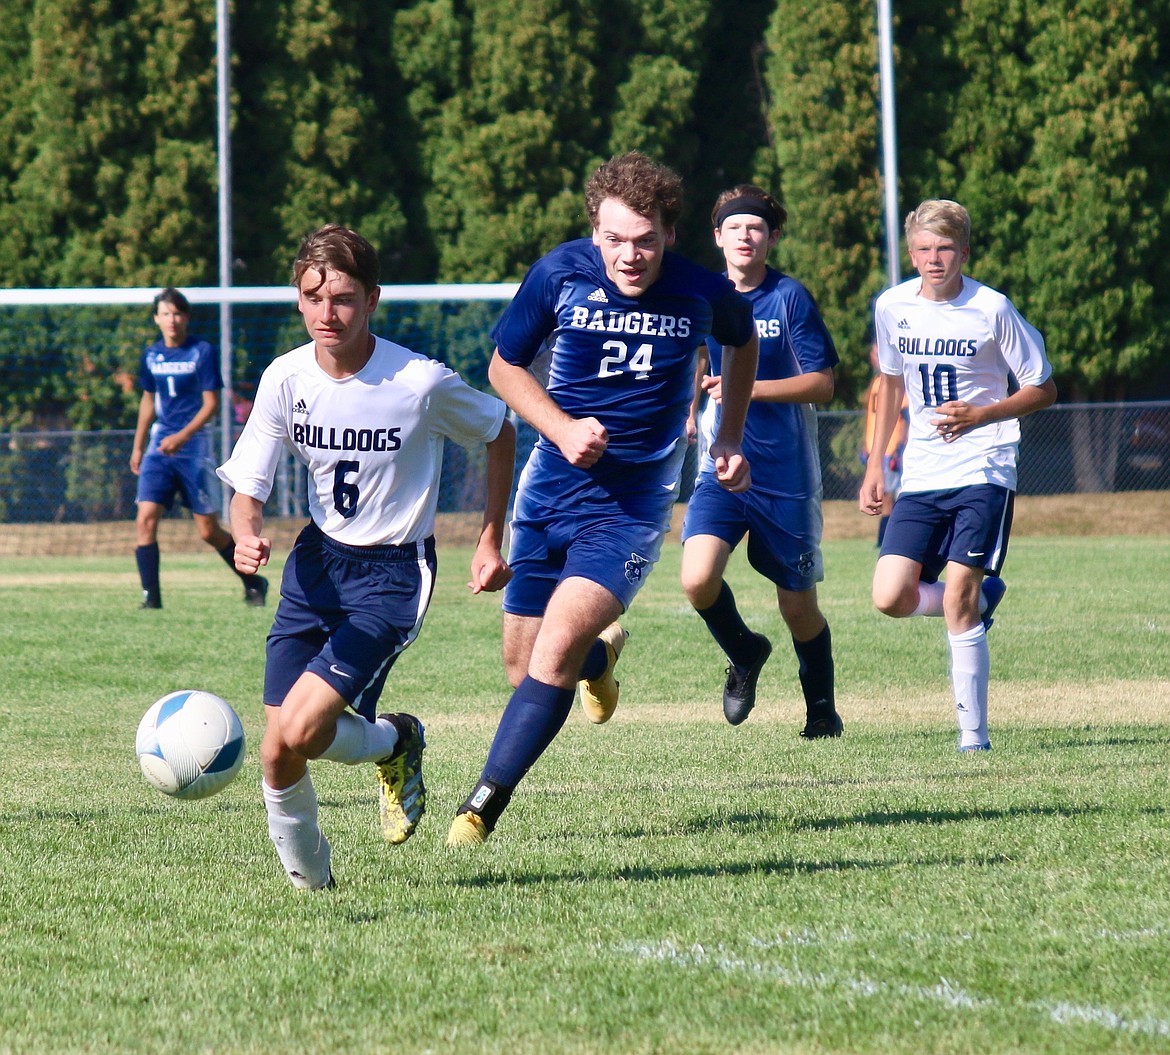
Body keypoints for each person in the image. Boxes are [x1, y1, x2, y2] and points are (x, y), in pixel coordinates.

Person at [446, 152, 759, 846]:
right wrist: (559, 427)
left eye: (645, 240)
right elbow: (502, 367)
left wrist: (726, 435)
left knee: (552, 652)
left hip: (630, 509)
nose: (629, 255)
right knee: (521, 664)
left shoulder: (701, 291)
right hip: (549, 493)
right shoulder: (558, 275)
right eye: (615, 239)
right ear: (594, 231)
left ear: (670, 235)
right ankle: (603, 658)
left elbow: (744, 340)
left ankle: (480, 806)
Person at [217, 225, 516, 888]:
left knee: (298, 726)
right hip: (317, 566)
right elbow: (248, 484)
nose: (329, 313)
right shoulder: (284, 378)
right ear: (298, 301)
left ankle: (392, 744)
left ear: (372, 299)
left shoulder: (418, 382)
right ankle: (319, 877)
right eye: (314, 297)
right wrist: (245, 531)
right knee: (280, 748)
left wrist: (491, 537)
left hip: (392, 574)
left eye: (344, 298)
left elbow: (500, 431)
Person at [859, 199, 1056, 752]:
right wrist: (878, 464)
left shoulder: (992, 309)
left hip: (985, 465)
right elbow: (891, 384)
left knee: (957, 598)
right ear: (912, 252)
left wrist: (983, 414)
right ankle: (978, 600)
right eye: (923, 248)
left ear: (964, 252)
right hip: (921, 471)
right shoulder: (893, 306)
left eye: (945, 248)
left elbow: (1043, 387)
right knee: (889, 595)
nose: (933, 258)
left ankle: (974, 738)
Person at [681, 184, 843, 737]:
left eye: (756, 227)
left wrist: (745, 388)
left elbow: (823, 384)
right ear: (717, 236)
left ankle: (821, 711)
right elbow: (692, 358)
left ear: (771, 238)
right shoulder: (698, 294)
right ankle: (745, 652)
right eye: (734, 227)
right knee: (697, 580)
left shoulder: (788, 297)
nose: (745, 236)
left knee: (798, 609)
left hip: (785, 480)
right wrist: (687, 406)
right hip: (722, 472)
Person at [130, 288, 268, 609]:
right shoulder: (151, 355)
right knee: (145, 519)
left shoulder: (202, 352)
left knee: (207, 530)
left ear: (186, 317)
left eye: (177, 313)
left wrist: (182, 436)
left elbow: (210, 404)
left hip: (193, 450)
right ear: (156, 319)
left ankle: (253, 580)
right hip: (158, 450)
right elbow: (148, 401)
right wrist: (138, 446)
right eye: (165, 314)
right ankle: (151, 599)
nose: (172, 320)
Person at [860, 339, 910, 547]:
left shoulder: (897, 384)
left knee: (887, 496)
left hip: (890, 450)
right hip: (874, 450)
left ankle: (885, 541)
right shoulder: (877, 382)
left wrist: (900, 446)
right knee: (883, 495)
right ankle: (883, 540)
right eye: (872, 353)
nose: (874, 357)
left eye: (877, 353)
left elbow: (906, 416)